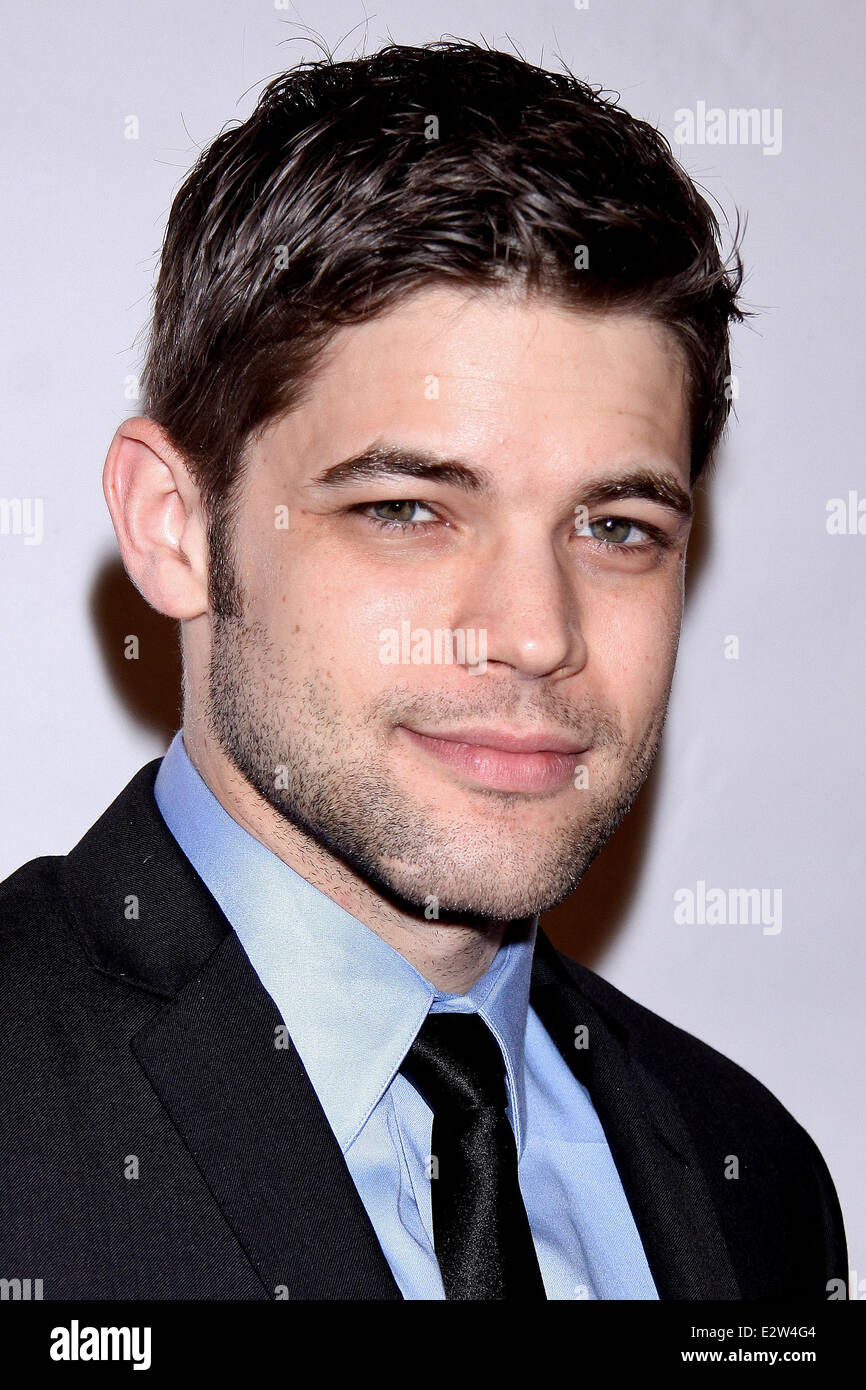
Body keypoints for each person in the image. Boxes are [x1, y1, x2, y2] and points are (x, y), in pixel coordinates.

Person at [0, 40, 846, 1300]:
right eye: (406, 507)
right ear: (175, 526)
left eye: (616, 527)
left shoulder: (755, 1172)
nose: (534, 630)